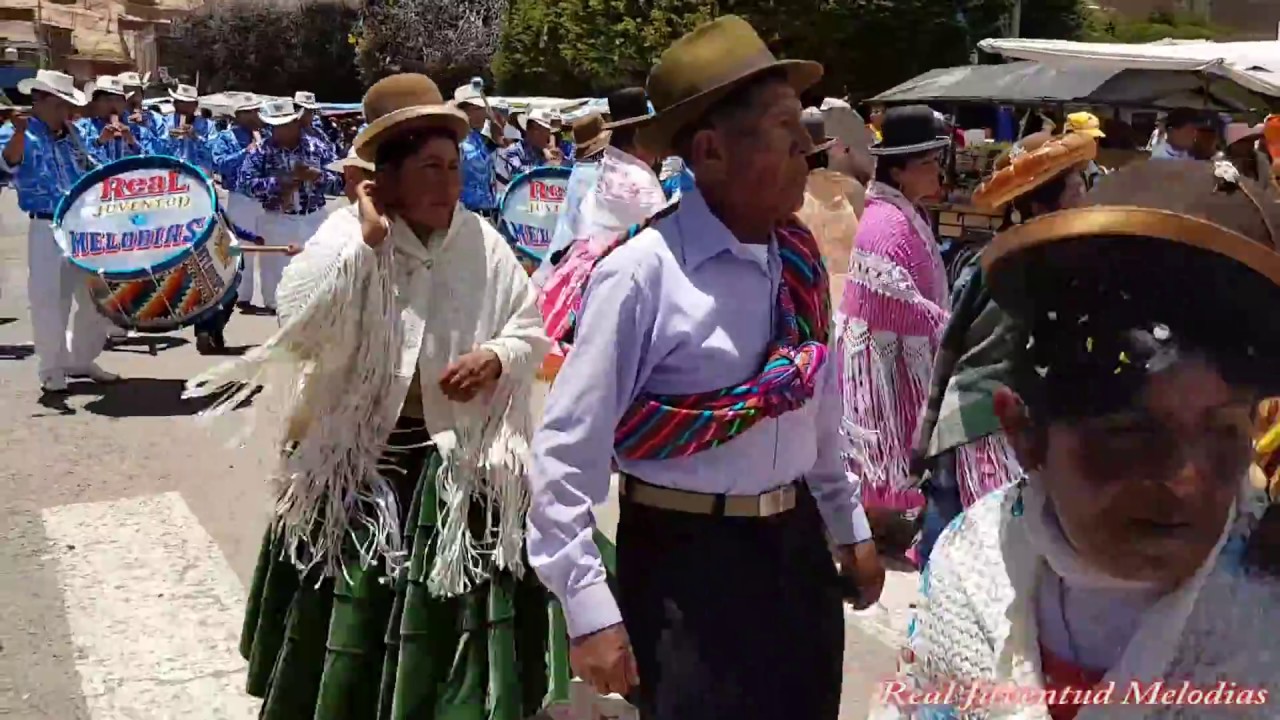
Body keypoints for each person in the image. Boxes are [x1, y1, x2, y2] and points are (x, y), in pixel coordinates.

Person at [526, 16, 883, 719]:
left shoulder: (801, 262)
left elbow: (821, 416)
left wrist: (851, 530)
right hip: (687, 567)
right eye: (783, 129)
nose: (804, 147)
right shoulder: (640, 276)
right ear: (713, 152)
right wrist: (588, 609)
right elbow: (567, 455)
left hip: (795, 555)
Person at [187, 71, 554, 718]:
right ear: (380, 178)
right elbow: (296, 321)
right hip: (363, 468)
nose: (449, 184)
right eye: (428, 168)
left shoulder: (481, 243)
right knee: (352, 622)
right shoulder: (346, 239)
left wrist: (496, 356)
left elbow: (529, 327)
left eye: (452, 166)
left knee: (447, 632)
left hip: (454, 462)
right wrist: (367, 235)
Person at [875, 159, 1280, 719]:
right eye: (1132, 435)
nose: (1185, 479)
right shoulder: (970, 571)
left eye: (1224, 431)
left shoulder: (1267, 607)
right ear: (1024, 432)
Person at [910, 132, 1092, 569]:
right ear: (1039, 205)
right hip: (995, 433)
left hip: (962, 422)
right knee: (991, 567)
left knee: (948, 563)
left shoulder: (989, 258)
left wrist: (926, 434)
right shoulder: (1048, 267)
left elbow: (948, 348)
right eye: (1077, 186)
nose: (1086, 194)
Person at [835, 104, 951, 525]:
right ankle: (870, 528)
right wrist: (951, 328)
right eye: (927, 164)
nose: (937, 172)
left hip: (902, 352)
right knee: (880, 449)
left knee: (896, 446)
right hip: (884, 355)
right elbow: (890, 297)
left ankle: (880, 522)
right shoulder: (886, 221)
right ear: (899, 171)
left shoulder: (905, 212)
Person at [0, 70, 117, 392]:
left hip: (84, 225)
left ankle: (81, 359)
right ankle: (51, 367)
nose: (69, 112)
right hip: (46, 225)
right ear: (44, 102)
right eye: (63, 105)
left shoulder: (72, 134)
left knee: (97, 296)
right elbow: (6, 165)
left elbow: (93, 168)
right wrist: (19, 134)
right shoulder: (18, 132)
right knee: (49, 299)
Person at [237, 98, 341, 314]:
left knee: (317, 278)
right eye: (274, 126)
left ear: (295, 123)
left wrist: (316, 177)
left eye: (284, 125)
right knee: (277, 287)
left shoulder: (318, 148)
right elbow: (245, 184)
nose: (278, 131)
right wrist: (281, 182)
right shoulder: (261, 151)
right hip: (276, 218)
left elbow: (340, 183)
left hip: (313, 218)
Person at [210, 98, 266, 313]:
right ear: (239, 116)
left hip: (263, 197)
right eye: (250, 112)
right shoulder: (226, 137)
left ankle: (267, 297)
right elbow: (220, 163)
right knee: (241, 247)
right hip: (240, 196)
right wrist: (246, 152)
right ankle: (239, 295)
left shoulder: (266, 135)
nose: (255, 116)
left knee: (266, 247)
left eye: (257, 111)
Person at [76, 75, 151, 164]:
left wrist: (131, 141)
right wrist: (99, 142)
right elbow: (82, 163)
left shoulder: (137, 128)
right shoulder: (81, 129)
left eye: (118, 100)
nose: (113, 104)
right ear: (95, 102)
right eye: (107, 100)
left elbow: (150, 159)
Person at [453, 83, 498, 217]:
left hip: (486, 214)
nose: (482, 114)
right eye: (475, 109)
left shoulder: (480, 140)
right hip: (463, 214)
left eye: (482, 109)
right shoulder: (456, 141)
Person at [158, 84, 214, 175]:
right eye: (180, 102)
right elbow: (156, 151)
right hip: (170, 174)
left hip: (197, 176)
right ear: (174, 103)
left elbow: (213, 153)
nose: (183, 107)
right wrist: (169, 138)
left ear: (195, 105)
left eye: (188, 103)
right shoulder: (164, 123)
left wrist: (195, 138)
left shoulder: (208, 126)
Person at [494, 108, 554, 191]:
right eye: (545, 132)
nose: (548, 137)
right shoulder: (510, 154)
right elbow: (503, 189)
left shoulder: (544, 156)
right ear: (534, 131)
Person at [1064, 110, 1106, 188]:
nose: (1093, 145)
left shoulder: (1097, 171)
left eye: (1095, 139)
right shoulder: (1054, 176)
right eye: (1086, 140)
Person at [117, 71, 165, 139]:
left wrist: (146, 127)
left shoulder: (156, 119)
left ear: (143, 95)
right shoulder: (113, 121)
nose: (133, 97)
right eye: (127, 91)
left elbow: (164, 147)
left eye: (136, 92)